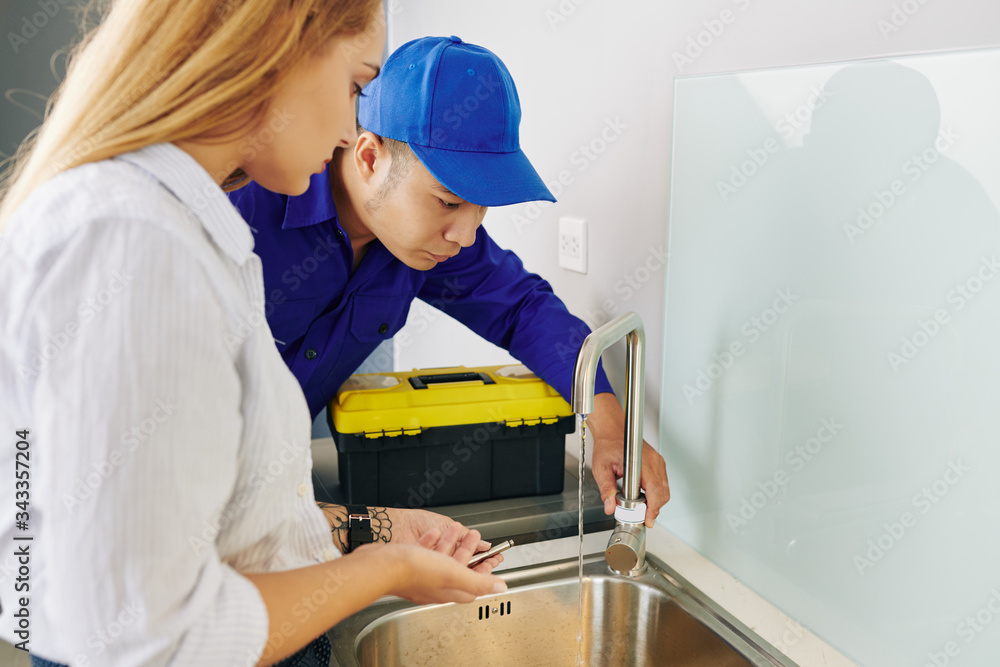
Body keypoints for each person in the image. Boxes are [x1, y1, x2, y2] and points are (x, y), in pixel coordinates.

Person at [0, 3, 505, 666]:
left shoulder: (173, 232)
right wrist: (384, 572)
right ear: (280, 48)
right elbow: (158, 637)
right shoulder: (136, 245)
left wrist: (383, 533)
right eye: (355, 85)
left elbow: (220, 525)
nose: (350, 126)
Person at [229, 35, 671, 525]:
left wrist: (609, 425)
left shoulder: (426, 244)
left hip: (277, 495)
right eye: (448, 201)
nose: (464, 235)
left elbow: (521, 309)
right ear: (370, 158)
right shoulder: (245, 203)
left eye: (480, 207)